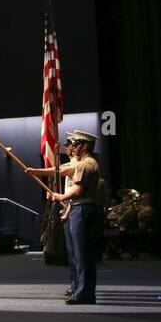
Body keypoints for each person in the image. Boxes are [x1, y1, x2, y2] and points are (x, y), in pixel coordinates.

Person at [35, 130, 103, 305]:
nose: (72, 148)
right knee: (76, 255)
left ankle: (84, 293)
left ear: (85, 145)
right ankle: (79, 290)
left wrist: (60, 197)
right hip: (77, 208)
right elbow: (63, 171)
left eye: (75, 144)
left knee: (83, 255)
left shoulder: (87, 164)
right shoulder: (83, 163)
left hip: (83, 209)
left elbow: (78, 190)